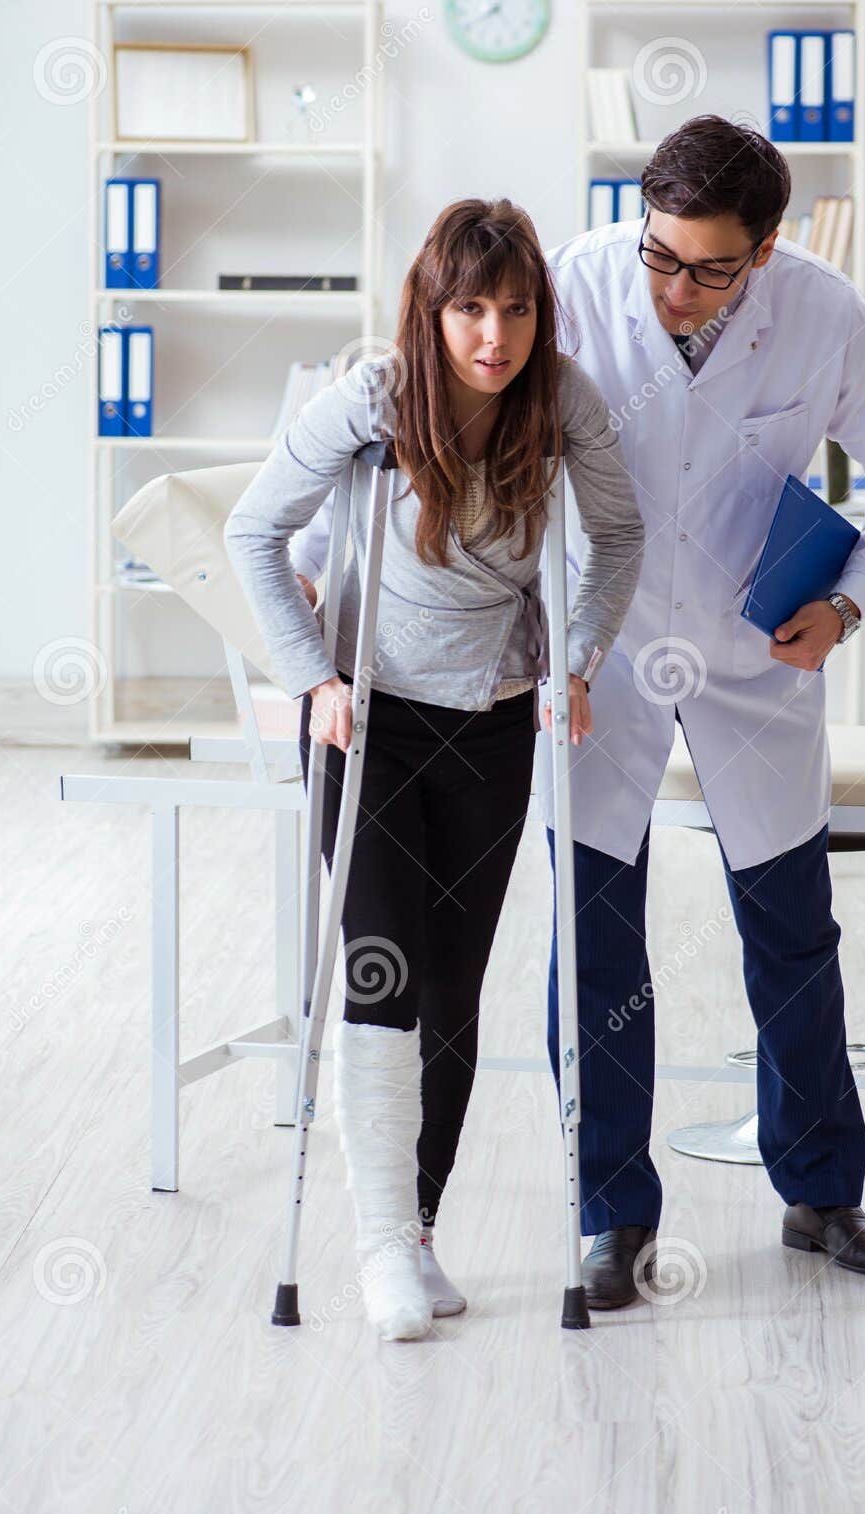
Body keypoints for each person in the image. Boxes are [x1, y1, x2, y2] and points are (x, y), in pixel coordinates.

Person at [531, 116, 865, 1305]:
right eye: (661, 255)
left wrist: (848, 604)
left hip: (753, 649)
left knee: (791, 928)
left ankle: (823, 1192)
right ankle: (611, 1213)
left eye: (710, 268)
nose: (675, 289)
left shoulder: (823, 312)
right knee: (594, 937)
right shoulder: (574, 285)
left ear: (765, 250)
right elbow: (477, 427)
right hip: (604, 651)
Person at [224, 199, 644, 1341]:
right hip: (366, 723)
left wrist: (577, 659)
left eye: (515, 310)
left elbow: (620, 537)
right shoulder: (370, 397)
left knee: (455, 988)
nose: (494, 336)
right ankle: (375, 1245)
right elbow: (253, 533)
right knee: (383, 972)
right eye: (470, 310)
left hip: (494, 721)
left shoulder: (563, 402)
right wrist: (312, 678)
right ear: (432, 308)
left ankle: (414, 1229)